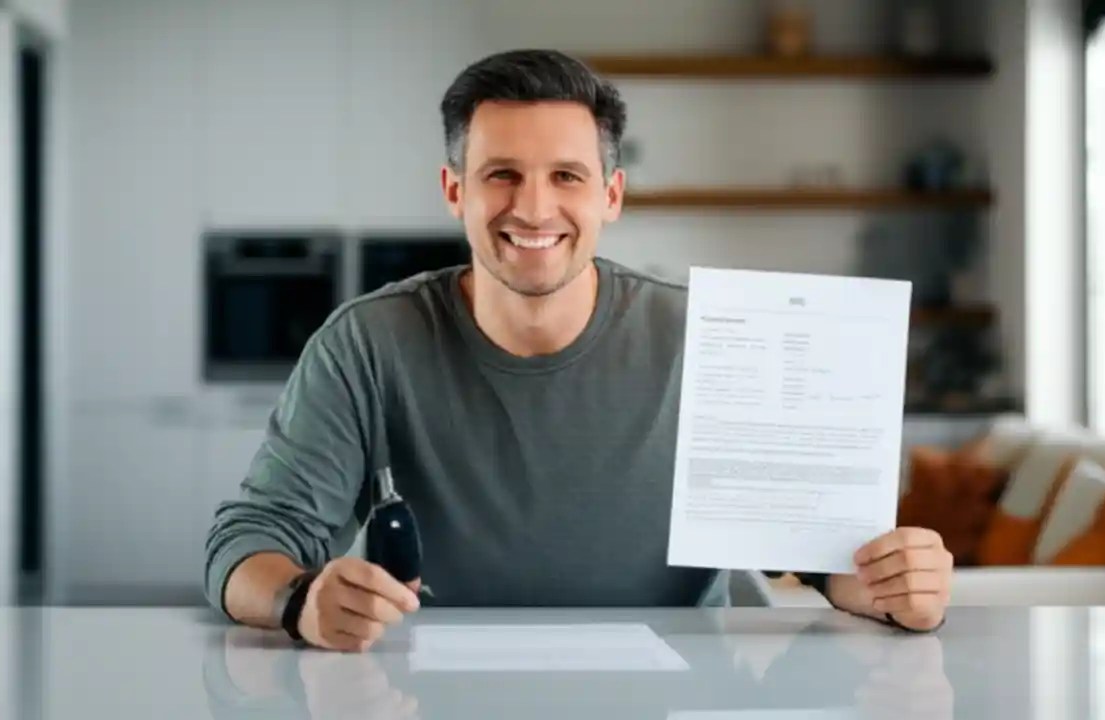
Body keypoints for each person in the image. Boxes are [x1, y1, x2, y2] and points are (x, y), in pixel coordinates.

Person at [204, 49, 954, 652]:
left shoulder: (713, 337)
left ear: (612, 195)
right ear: (454, 190)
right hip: (432, 698)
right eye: (502, 175)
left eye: (567, 176)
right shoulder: (367, 344)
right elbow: (247, 543)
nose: (533, 208)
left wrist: (892, 585)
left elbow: (823, 558)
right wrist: (302, 600)